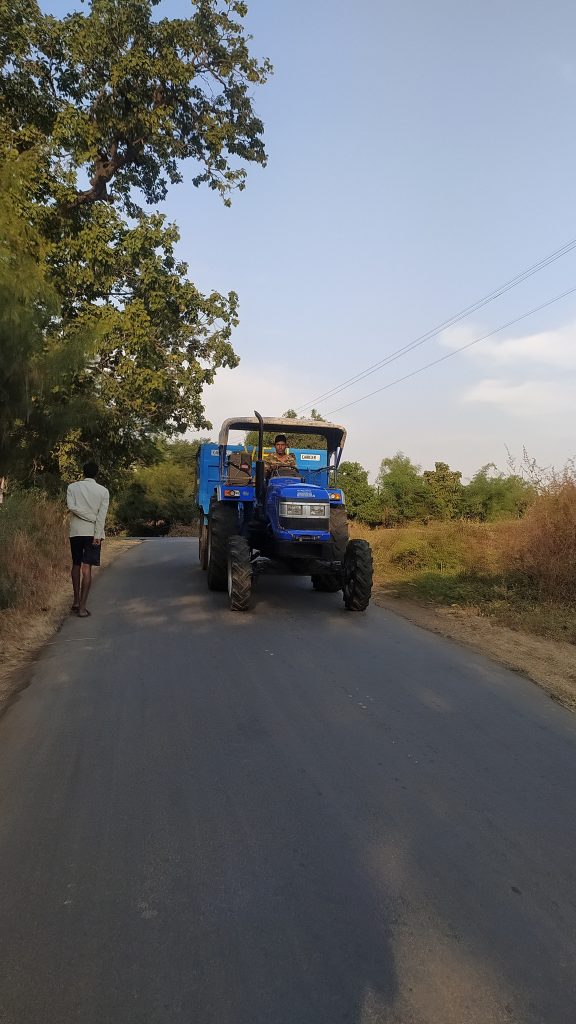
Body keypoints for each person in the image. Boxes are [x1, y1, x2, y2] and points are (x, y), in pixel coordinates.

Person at [66, 461, 110, 617]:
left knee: (76, 564)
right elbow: (102, 516)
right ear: (96, 474)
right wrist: (97, 531)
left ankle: (76, 601)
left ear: (83, 472)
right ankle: (82, 608)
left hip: (76, 531)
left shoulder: (72, 487)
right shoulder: (103, 491)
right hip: (93, 533)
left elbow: (71, 507)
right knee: (87, 568)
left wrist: (86, 516)